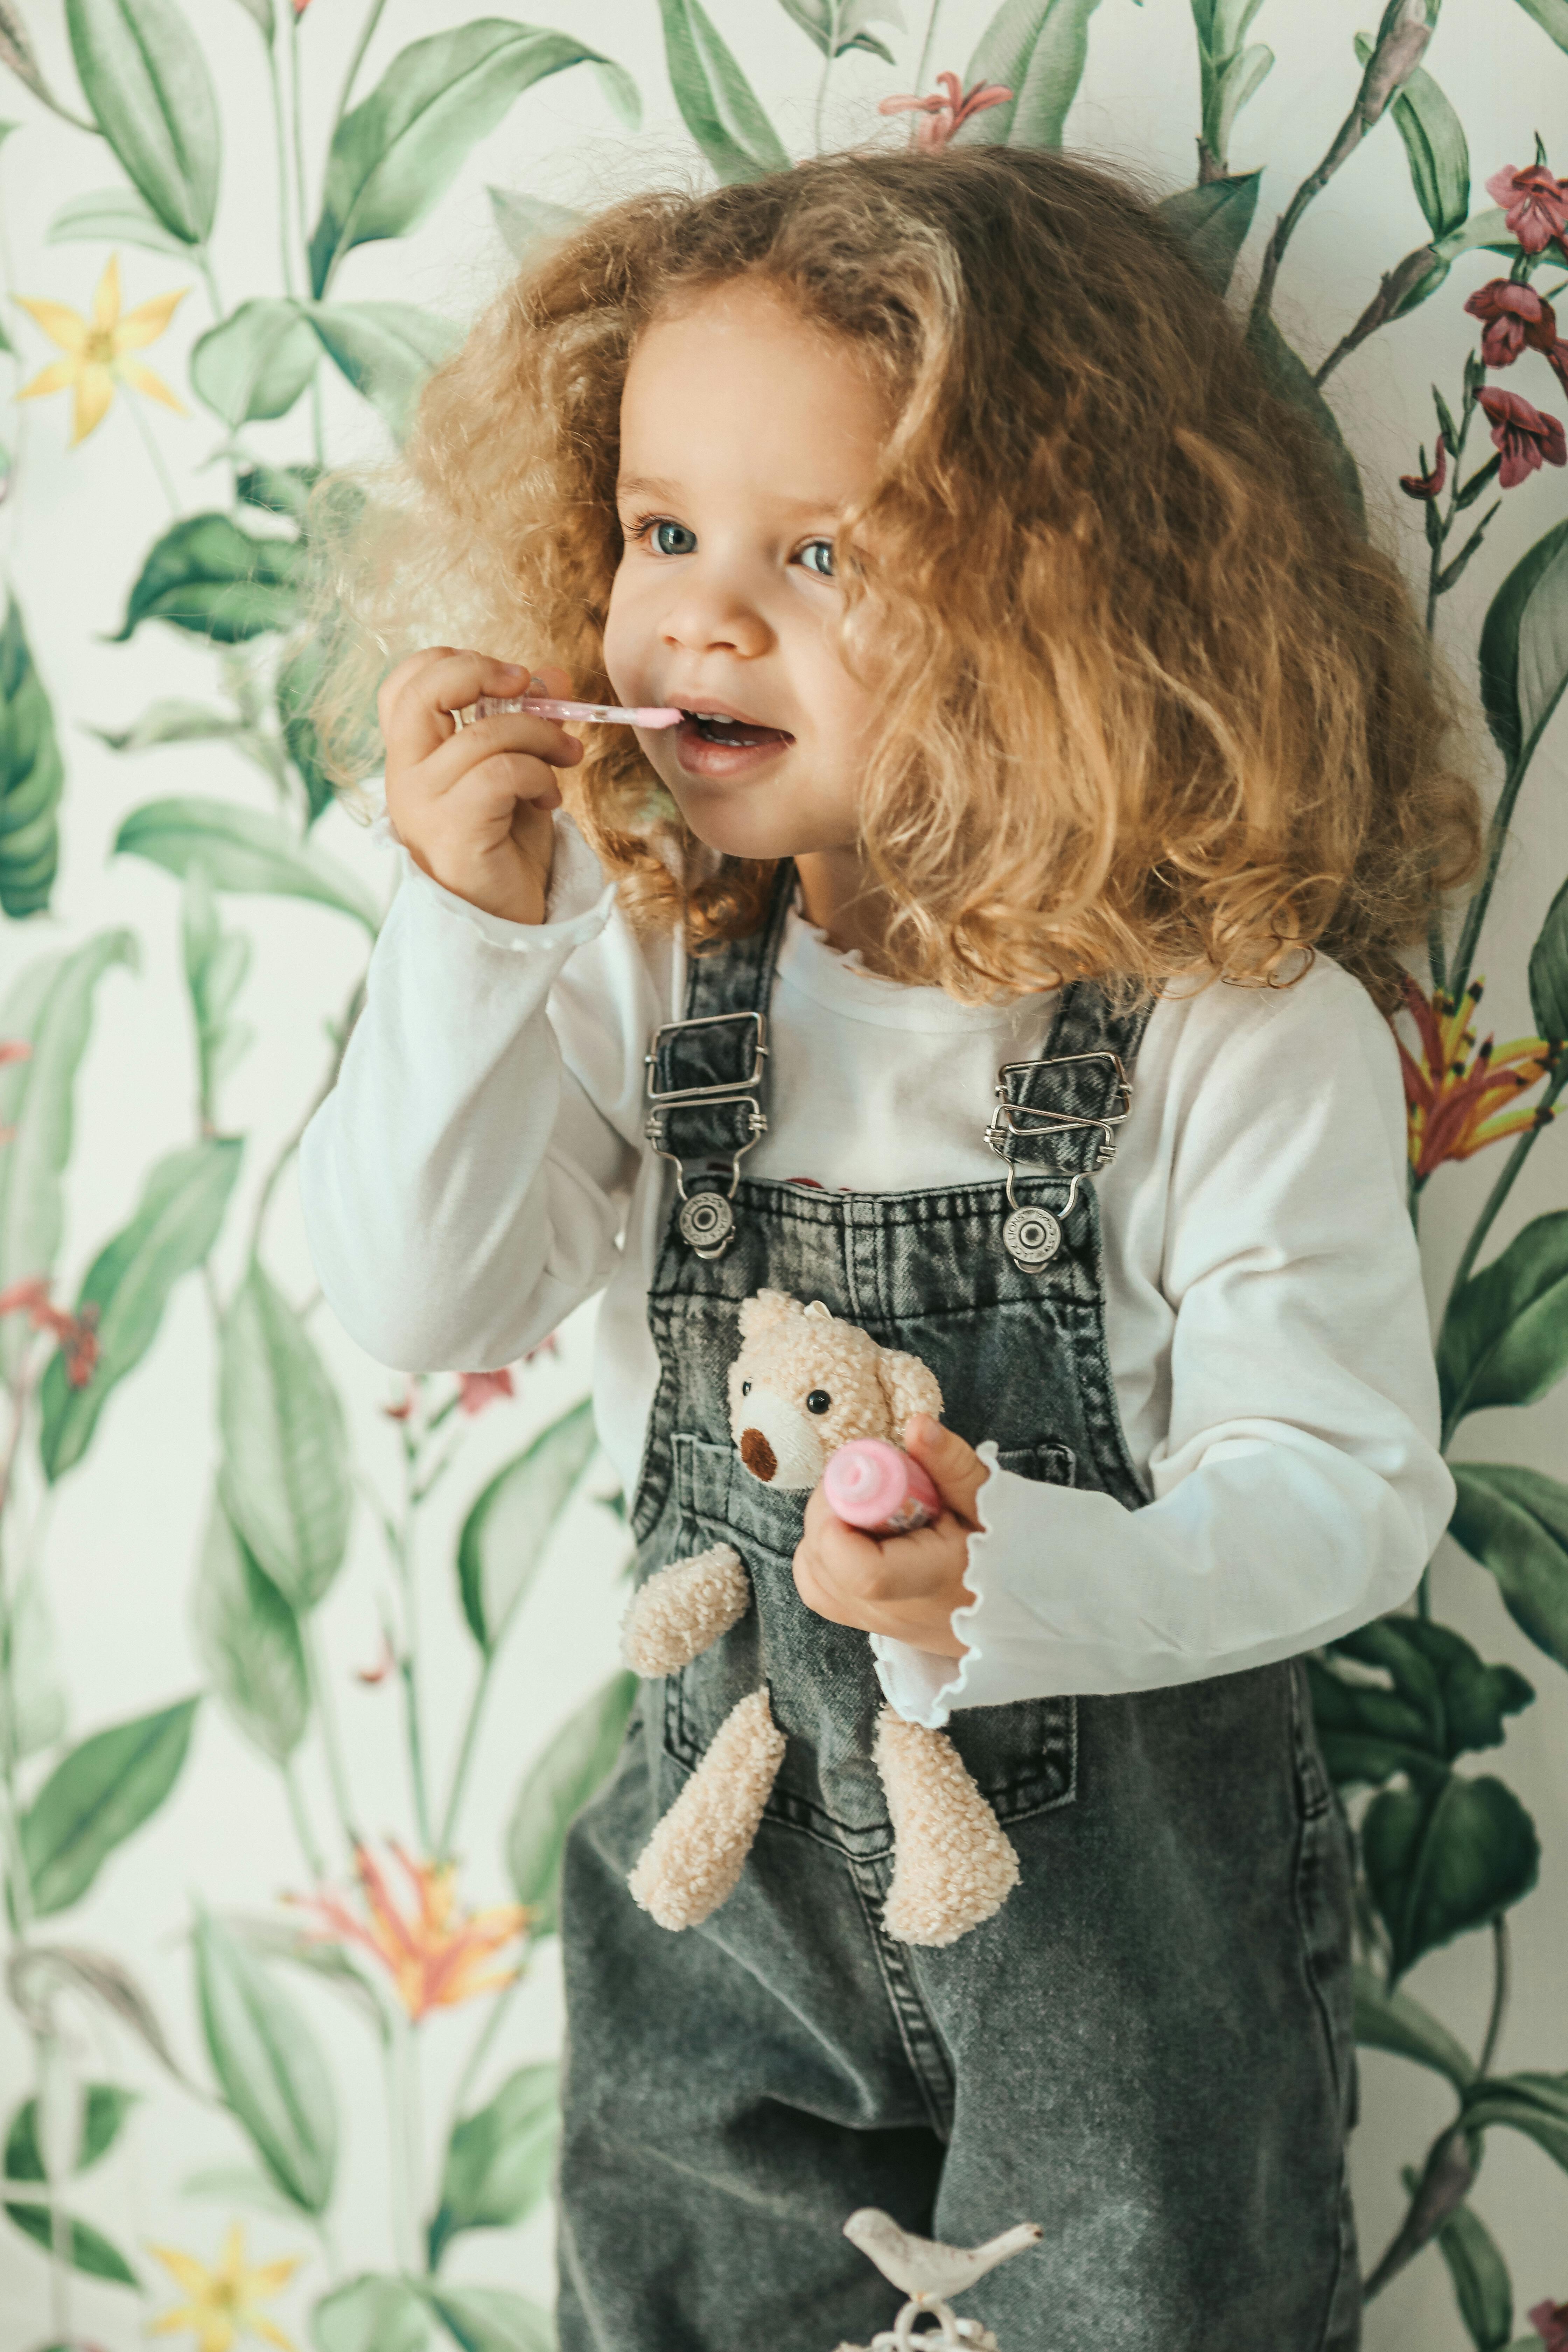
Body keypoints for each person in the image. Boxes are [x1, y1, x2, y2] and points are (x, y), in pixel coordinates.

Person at [299, 146, 1477, 2352]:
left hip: (1117, 1962)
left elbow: (1347, 1491)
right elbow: (410, 1293)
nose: (701, 616)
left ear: (1073, 596)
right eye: (662, 532)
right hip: (717, 1923)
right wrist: (462, 932)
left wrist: (1007, 1572)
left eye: (816, 553)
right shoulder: (646, 977)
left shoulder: (1234, 1032)